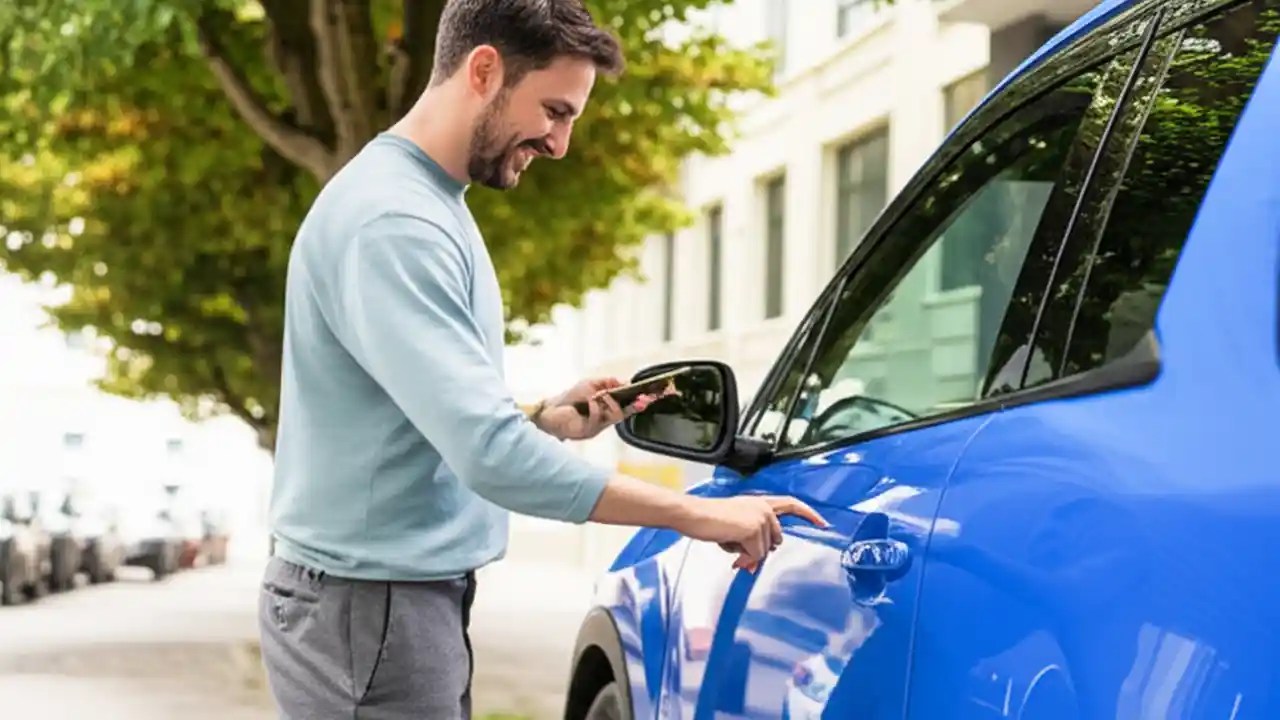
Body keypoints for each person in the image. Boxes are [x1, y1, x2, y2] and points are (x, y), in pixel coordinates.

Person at [259, 0, 828, 717]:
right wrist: (698, 515)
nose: (559, 144)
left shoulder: (426, 202)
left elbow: (422, 419)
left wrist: (544, 420)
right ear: (485, 69)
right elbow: (488, 455)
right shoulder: (394, 222)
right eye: (554, 111)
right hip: (370, 612)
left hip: (382, 607)